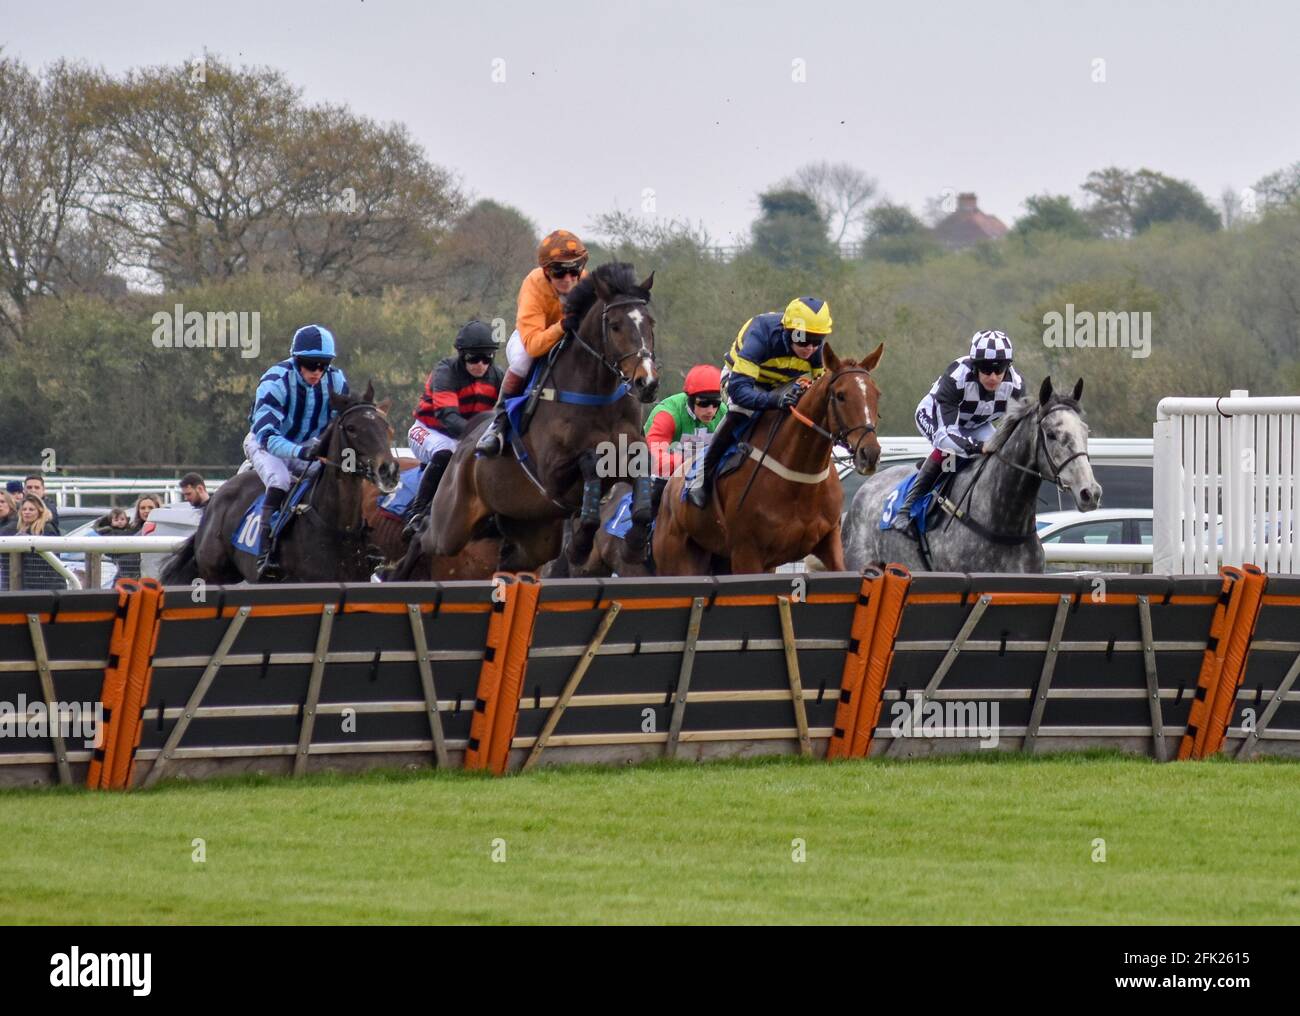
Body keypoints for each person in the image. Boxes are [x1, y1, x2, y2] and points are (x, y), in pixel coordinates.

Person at [687, 297, 832, 509]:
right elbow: (739, 391)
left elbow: (821, 388)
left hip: (784, 382)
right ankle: (702, 477)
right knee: (741, 411)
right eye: (802, 339)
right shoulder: (761, 334)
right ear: (787, 330)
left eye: (817, 340)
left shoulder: (814, 347)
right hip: (744, 381)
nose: (810, 347)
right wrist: (774, 400)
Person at [889, 329, 1026, 530]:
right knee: (948, 452)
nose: (994, 377)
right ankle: (907, 508)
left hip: (975, 423)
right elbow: (946, 436)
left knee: (999, 456)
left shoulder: (1016, 386)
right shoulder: (956, 377)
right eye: (986, 369)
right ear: (975, 366)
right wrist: (978, 447)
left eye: (1000, 369)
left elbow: (1015, 433)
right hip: (935, 418)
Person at [245, 324, 350, 579]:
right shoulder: (276, 380)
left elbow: (341, 423)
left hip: (306, 444)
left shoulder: (337, 381)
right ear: (296, 360)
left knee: (334, 478)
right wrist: (303, 453)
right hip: (265, 442)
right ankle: (265, 549)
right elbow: (268, 435)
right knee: (280, 480)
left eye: (322, 365)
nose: (316, 372)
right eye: (309, 364)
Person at [475, 229, 589, 456]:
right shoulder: (533, 284)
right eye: (559, 272)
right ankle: (499, 423)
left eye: (574, 270)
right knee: (522, 361)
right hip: (533, 336)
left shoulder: (586, 281)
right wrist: (561, 326)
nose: (568, 279)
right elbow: (534, 344)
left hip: (571, 335)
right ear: (547, 272)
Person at [402, 320, 503, 538]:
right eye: (473, 358)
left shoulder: (498, 376)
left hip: (469, 435)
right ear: (461, 355)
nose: (481, 365)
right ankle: (417, 513)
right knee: (445, 453)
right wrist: (479, 437)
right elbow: (447, 416)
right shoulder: (445, 371)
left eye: (487, 358)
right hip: (430, 430)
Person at [645, 364, 728, 480]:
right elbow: (654, 461)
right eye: (703, 403)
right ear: (690, 398)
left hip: (701, 473)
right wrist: (695, 460)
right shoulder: (667, 414)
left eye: (716, 403)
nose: (710, 410)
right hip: (659, 476)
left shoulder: (724, 412)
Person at [13, 493, 63, 590]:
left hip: (49, 585)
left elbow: (51, 560)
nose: (27, 512)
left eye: (31, 509)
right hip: (31, 583)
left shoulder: (47, 529)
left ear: (40, 511)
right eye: (24, 509)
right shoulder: (21, 530)